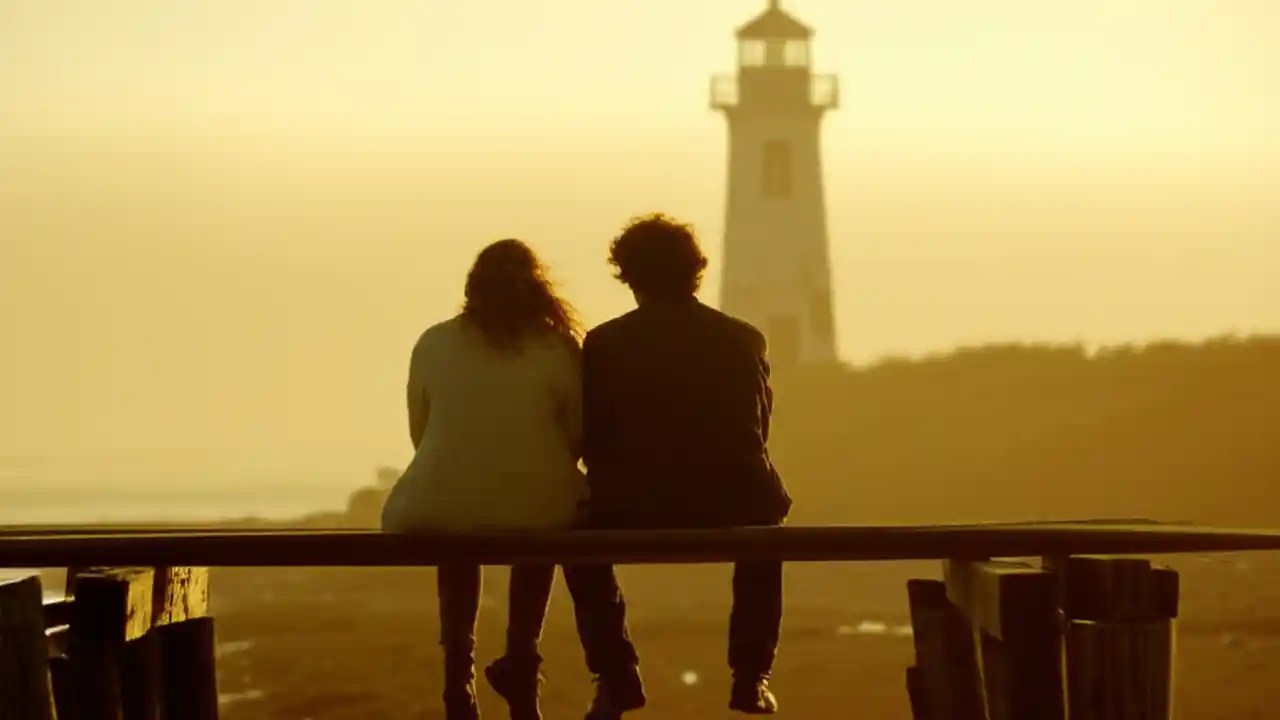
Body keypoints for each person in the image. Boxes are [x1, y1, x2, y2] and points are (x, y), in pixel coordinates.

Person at [563, 213, 793, 719]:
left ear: (626, 273)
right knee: (765, 529)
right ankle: (752, 676)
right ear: (695, 270)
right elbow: (759, 426)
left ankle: (615, 675)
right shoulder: (743, 339)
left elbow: (588, 435)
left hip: (630, 504)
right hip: (733, 501)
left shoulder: (603, 344)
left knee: (574, 542)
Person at [381, 239, 586, 720]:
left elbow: (421, 430)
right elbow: (578, 436)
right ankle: (522, 662)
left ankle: (458, 675)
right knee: (543, 527)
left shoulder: (433, 341)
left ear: (472, 287)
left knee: (457, 530)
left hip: (436, 504)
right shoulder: (557, 347)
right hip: (536, 506)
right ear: (537, 287)